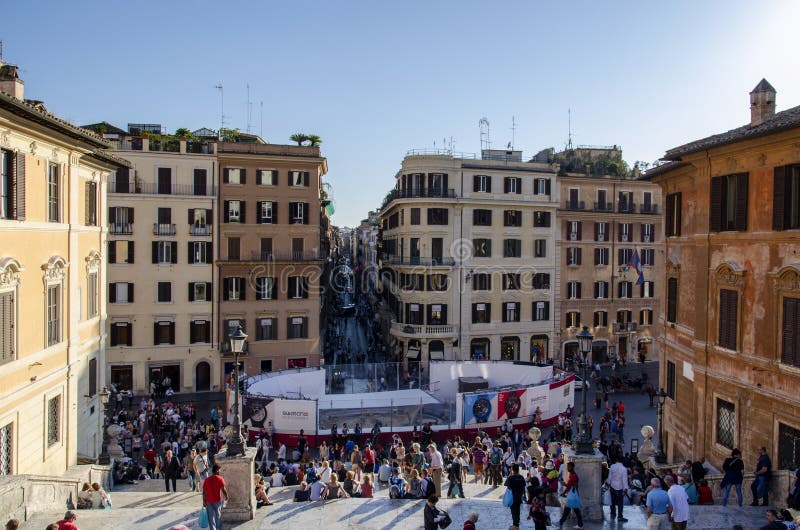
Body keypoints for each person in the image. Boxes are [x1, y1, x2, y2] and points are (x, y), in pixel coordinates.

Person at [557, 461, 584, 530]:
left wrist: (564, 490)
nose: (567, 468)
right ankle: (580, 525)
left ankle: (561, 522)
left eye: (569, 467)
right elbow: (571, 485)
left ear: (572, 467)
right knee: (574, 511)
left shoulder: (573, 476)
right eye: (567, 467)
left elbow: (570, 486)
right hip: (573, 495)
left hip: (572, 496)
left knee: (568, 510)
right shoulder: (572, 475)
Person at [202, 464, 228, 530]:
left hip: (208, 501)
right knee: (218, 516)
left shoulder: (207, 480)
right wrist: (226, 496)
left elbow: (204, 492)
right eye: (219, 470)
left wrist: (204, 501)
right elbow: (223, 489)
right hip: (217, 500)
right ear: (217, 470)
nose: (220, 471)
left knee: (211, 517)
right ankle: (218, 528)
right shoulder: (220, 478)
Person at [605, 457, 629, 522]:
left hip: (612, 486)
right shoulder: (624, 469)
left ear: (616, 460)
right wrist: (625, 488)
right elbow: (624, 480)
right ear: (622, 461)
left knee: (612, 501)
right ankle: (620, 516)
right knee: (620, 503)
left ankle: (613, 513)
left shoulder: (612, 466)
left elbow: (610, 476)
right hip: (619, 487)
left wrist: (608, 483)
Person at [504, 463, 527, 530]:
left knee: (513, 510)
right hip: (519, 496)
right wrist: (524, 496)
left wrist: (510, 474)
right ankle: (516, 524)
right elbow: (524, 487)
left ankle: (515, 525)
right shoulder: (521, 477)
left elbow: (506, 484)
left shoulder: (511, 477)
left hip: (512, 497)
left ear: (512, 469)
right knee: (518, 510)